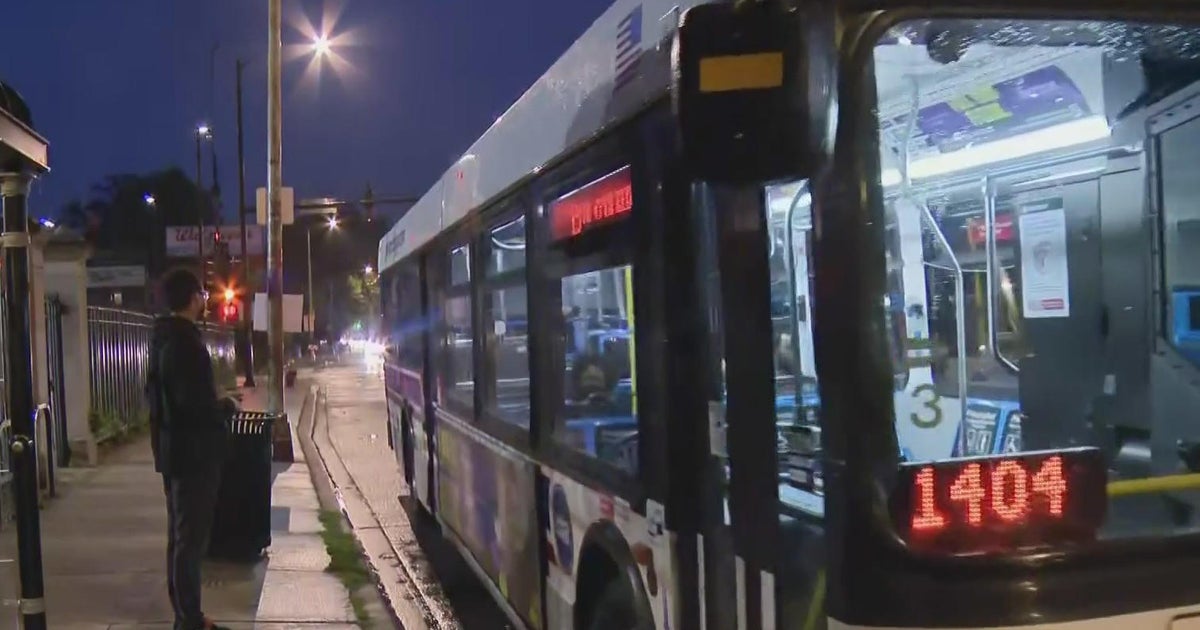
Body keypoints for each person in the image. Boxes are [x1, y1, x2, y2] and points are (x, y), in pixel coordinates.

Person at [145, 269, 235, 630]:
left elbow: (160, 399)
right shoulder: (186, 345)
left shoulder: (162, 339)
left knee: (180, 537)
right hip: (194, 454)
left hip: (173, 452)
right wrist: (224, 408)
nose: (204, 299)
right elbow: (193, 404)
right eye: (201, 293)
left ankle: (186, 615)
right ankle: (191, 619)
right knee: (190, 540)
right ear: (193, 298)